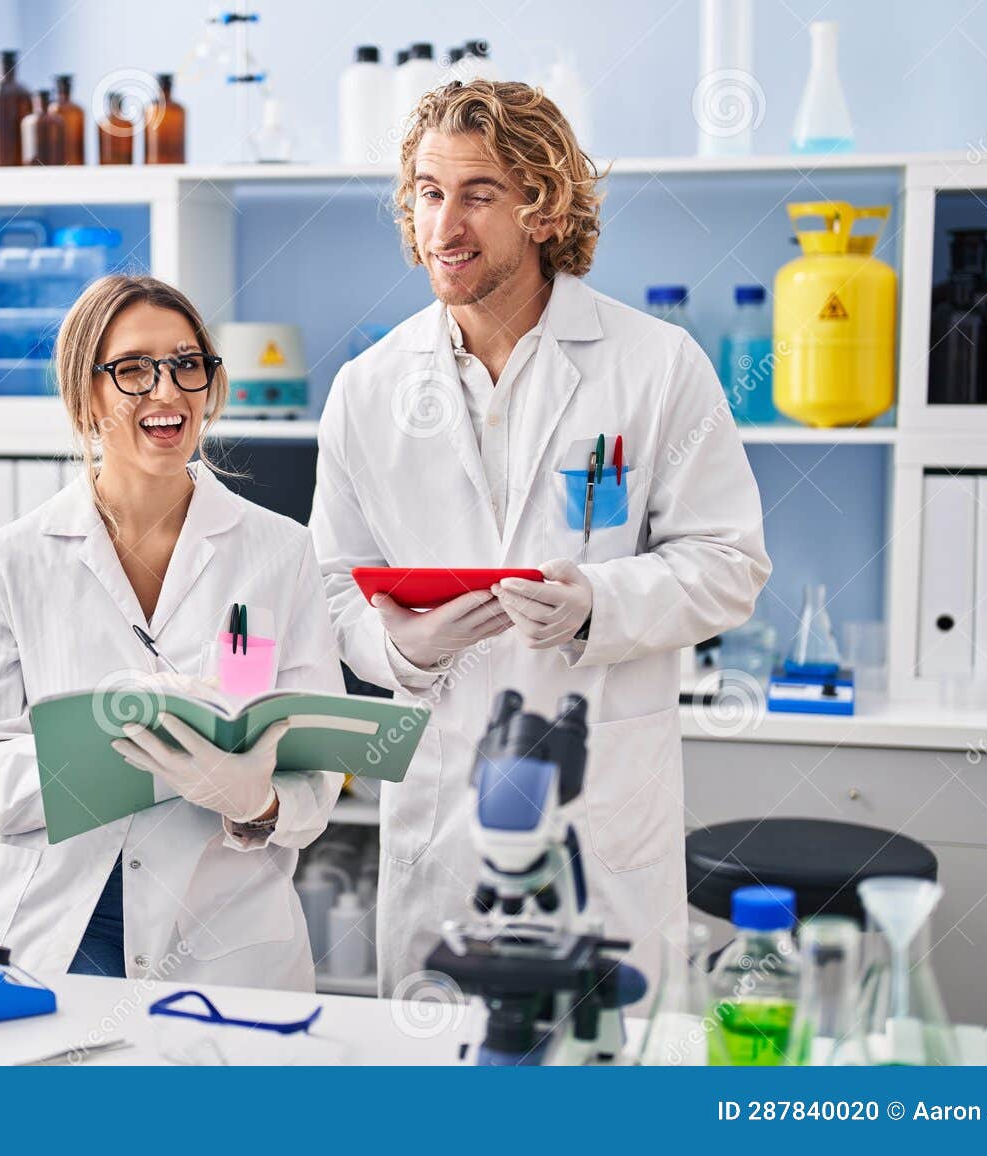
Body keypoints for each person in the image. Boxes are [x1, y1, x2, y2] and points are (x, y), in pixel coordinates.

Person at [309, 80, 771, 993]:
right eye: (429, 192)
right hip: (438, 803)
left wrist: (599, 604)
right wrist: (395, 645)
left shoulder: (655, 366)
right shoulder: (367, 388)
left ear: (545, 204)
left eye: (479, 193)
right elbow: (330, 582)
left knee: (603, 1075)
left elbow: (730, 563)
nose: (445, 224)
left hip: (596, 806)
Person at [0, 274, 344, 990]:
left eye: (186, 364)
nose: (167, 392)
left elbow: (317, 775)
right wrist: (115, 756)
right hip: (51, 929)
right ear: (86, 397)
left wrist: (254, 801)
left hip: (223, 942)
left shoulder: (280, 553)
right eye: (132, 370)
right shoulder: (16, 557)